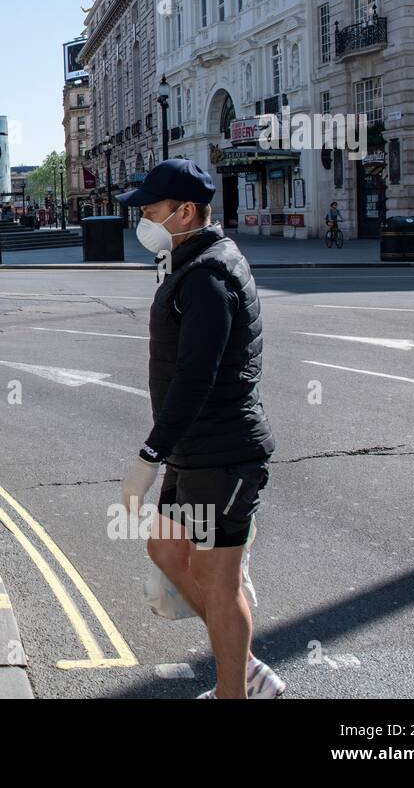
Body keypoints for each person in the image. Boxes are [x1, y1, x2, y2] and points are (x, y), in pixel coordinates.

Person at [116, 159, 283, 700]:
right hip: (196, 451)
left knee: (219, 581)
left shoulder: (207, 277)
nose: (143, 220)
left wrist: (149, 456)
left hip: (223, 453)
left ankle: (235, 690)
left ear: (185, 211)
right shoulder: (190, 259)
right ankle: (244, 663)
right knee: (165, 551)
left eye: (151, 211)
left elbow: (197, 377)